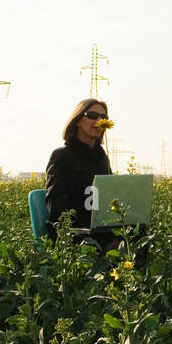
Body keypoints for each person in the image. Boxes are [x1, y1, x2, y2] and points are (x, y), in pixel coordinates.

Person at [45, 99, 119, 248]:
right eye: (92, 115)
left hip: (99, 228)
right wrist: (87, 197)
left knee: (139, 235)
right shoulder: (62, 156)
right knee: (116, 245)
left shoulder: (101, 157)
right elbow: (55, 206)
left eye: (103, 117)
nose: (99, 121)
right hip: (73, 232)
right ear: (78, 120)